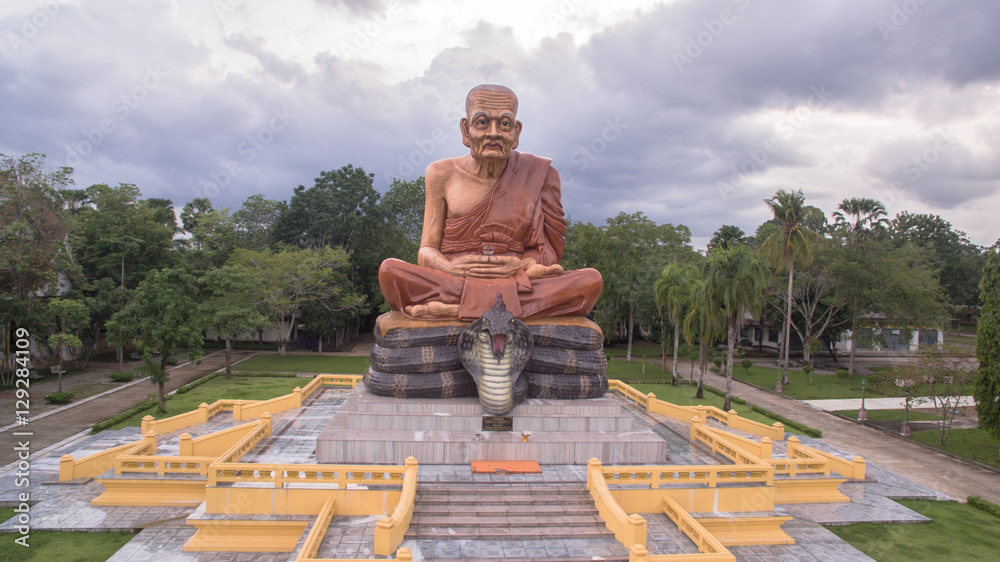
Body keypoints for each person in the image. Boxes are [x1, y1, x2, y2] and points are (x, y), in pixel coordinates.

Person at [379, 84, 602, 321]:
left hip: (514, 279)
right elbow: (426, 251)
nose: (493, 132)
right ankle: (501, 309)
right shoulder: (440, 173)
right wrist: (449, 268)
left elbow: (548, 251)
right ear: (466, 129)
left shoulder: (541, 175)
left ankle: (456, 310)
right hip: (456, 279)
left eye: (504, 123)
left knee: (590, 282)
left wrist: (521, 265)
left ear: (516, 132)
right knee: (390, 272)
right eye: (482, 122)